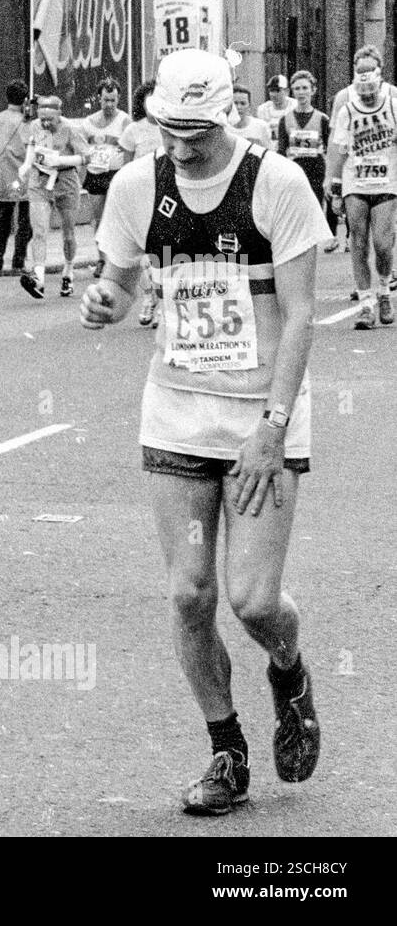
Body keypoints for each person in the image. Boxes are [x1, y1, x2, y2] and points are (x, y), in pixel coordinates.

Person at [82, 48, 328, 816]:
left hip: (262, 414)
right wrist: (105, 299)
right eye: (166, 129)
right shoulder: (136, 184)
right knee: (190, 593)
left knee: (254, 602)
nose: (179, 146)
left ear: (226, 115)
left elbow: (299, 317)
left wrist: (272, 427)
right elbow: (120, 282)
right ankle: (226, 750)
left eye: (194, 131)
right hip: (178, 412)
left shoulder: (275, 184)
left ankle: (289, 671)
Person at [328, 44, 397, 328]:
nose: (366, 77)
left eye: (371, 70)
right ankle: (367, 305)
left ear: (379, 73)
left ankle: (383, 289)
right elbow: (338, 146)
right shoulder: (345, 104)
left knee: (382, 243)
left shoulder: (393, 101)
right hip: (355, 180)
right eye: (361, 71)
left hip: (386, 179)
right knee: (357, 240)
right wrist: (332, 184)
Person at [15, 95, 90, 299]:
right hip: (40, 181)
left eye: (51, 119)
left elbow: (86, 156)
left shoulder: (71, 129)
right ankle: (38, 278)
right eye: (42, 118)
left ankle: (68, 270)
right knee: (39, 230)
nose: (46, 123)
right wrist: (26, 165)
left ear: (59, 115)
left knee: (68, 233)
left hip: (65, 181)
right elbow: (32, 147)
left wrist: (60, 160)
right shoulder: (35, 127)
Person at [118, 79, 164, 327]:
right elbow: (126, 168)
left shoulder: (169, 127)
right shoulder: (132, 131)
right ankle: (149, 296)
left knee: (162, 251)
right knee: (139, 251)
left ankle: (162, 303)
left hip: (167, 197)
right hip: (139, 196)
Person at [0, 79, 33, 275]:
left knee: (2, 221)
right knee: (25, 222)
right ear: (25, 99)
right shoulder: (29, 124)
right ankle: (18, 262)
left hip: (1, 178)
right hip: (22, 180)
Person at [81, 78, 131, 278]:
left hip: (115, 175)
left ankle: (116, 261)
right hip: (95, 174)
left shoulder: (124, 121)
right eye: (105, 100)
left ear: (118, 99)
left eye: (113, 100)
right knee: (99, 219)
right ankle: (101, 259)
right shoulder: (89, 123)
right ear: (98, 99)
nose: (109, 105)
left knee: (117, 219)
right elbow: (81, 147)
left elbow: (130, 148)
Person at [279, 71, 332, 250]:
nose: (301, 93)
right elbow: (281, 150)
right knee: (295, 209)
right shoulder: (285, 120)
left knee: (314, 208)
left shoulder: (322, 119)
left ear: (313, 90)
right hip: (294, 169)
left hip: (316, 169)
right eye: (297, 89)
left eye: (305, 88)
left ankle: (312, 245)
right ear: (292, 92)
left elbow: (330, 148)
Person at [229, 84, 273, 149]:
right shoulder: (223, 128)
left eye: (243, 103)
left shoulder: (261, 126)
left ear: (249, 106)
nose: (238, 107)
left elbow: (269, 154)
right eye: (235, 103)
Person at [257, 75, 292, 152]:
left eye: (278, 90)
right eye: (271, 90)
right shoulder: (263, 109)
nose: (274, 94)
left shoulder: (294, 106)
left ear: (287, 91)